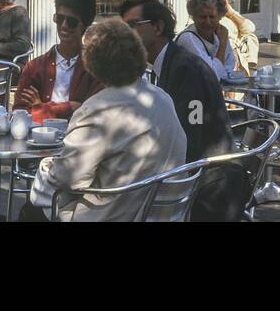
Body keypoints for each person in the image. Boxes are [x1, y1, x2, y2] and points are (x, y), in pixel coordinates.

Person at [26, 20, 186, 221]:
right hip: (163, 213)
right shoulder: (163, 98)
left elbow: (70, 178)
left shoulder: (97, 109)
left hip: (115, 214)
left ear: (92, 64)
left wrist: (47, 166)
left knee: (31, 209)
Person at [120, 0, 244, 222]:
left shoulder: (184, 69)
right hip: (201, 177)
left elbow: (191, 132)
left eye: (132, 25)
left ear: (157, 27)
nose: (125, 34)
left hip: (209, 189)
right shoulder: (169, 62)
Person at [15, 0, 104, 120]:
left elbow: (95, 113)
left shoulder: (96, 69)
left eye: (72, 22)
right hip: (39, 133)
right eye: (60, 18)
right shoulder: (34, 67)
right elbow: (19, 113)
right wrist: (71, 107)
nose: (64, 25)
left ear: (84, 24)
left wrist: (41, 108)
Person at [178, 0, 239, 79]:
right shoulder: (188, 38)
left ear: (220, 16)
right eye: (202, 17)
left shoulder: (219, 34)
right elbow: (212, 75)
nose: (207, 22)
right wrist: (222, 44)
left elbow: (229, 66)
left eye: (212, 17)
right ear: (193, 17)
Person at [207, 0, 259, 73]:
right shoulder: (207, 11)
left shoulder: (229, 11)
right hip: (217, 54)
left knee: (251, 36)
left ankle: (250, 62)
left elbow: (250, 28)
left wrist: (230, 14)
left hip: (234, 57)